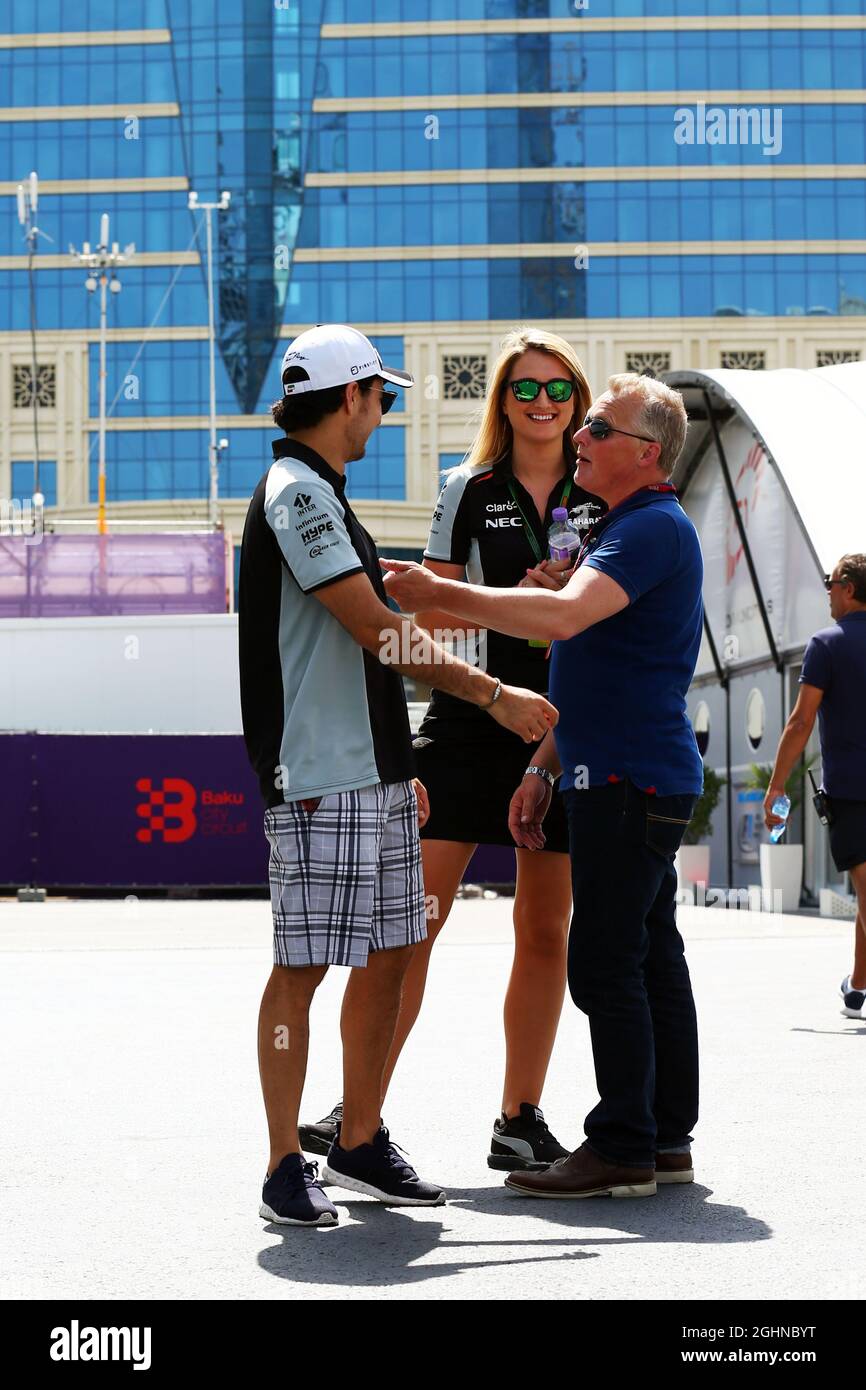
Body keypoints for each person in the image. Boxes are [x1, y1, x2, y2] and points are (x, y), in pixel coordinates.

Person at [238, 323, 557, 1227]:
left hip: (369, 772)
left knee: (388, 953)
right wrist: (494, 693)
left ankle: (360, 1139)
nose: (383, 415)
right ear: (351, 398)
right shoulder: (298, 492)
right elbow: (377, 631)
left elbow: (370, 647)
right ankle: (280, 1162)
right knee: (301, 967)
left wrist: (395, 766)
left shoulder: (321, 493)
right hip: (318, 772)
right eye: (381, 397)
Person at [381, 373, 704, 1199]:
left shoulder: (646, 529)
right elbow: (591, 661)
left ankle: (625, 1143)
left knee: (602, 964)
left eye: (598, 426)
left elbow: (560, 624)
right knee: (648, 954)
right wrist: (543, 766)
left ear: (646, 453)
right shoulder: (631, 528)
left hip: (629, 778)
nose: (582, 437)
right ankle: (664, 1138)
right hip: (619, 770)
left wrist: (434, 591)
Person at [298, 327, 601, 1172]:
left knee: (546, 929)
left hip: (563, 721)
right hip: (470, 718)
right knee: (412, 926)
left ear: (579, 402)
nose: (542, 405)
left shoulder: (605, 490)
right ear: (501, 401)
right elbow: (418, 615)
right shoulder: (464, 487)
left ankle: (520, 1116)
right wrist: (514, 600)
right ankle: (356, 1112)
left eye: (558, 391)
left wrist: (563, 604)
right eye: (524, 389)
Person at [764, 554, 866, 1019]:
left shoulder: (827, 644)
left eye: (829, 582)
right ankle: (858, 986)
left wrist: (776, 785)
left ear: (847, 587)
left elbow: (800, 720)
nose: (826, 590)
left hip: (851, 790)